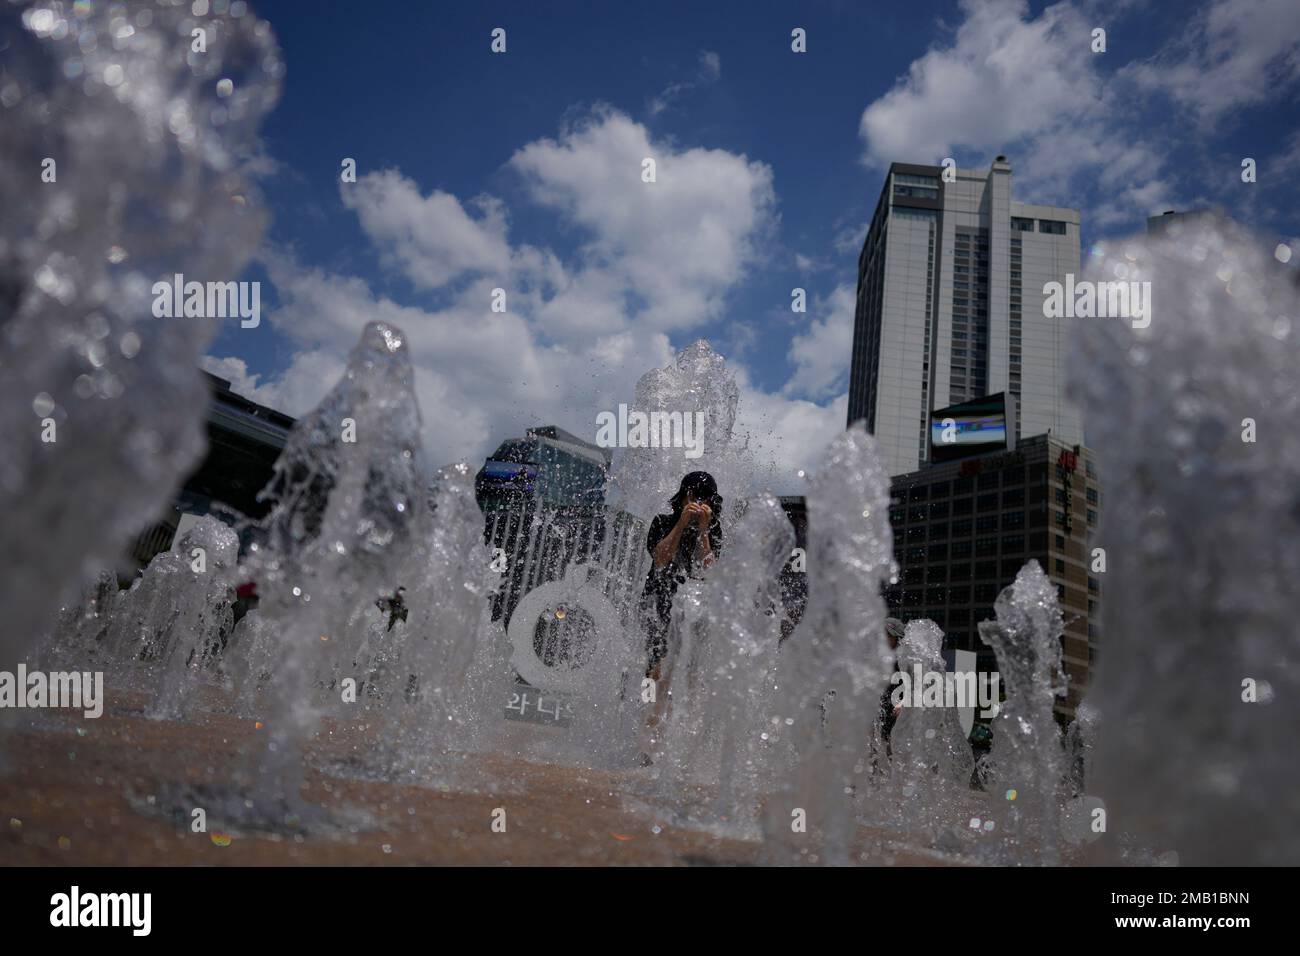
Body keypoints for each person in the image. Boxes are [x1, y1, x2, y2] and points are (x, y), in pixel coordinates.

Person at [636, 472, 723, 760]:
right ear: (682, 495)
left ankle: (670, 746)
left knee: (683, 678)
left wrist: (702, 530)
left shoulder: (713, 529)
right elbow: (661, 559)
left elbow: (708, 570)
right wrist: (682, 522)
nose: (697, 501)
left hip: (689, 612)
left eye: (704, 496)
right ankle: (645, 743)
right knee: (654, 673)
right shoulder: (662, 522)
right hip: (657, 604)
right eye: (692, 495)